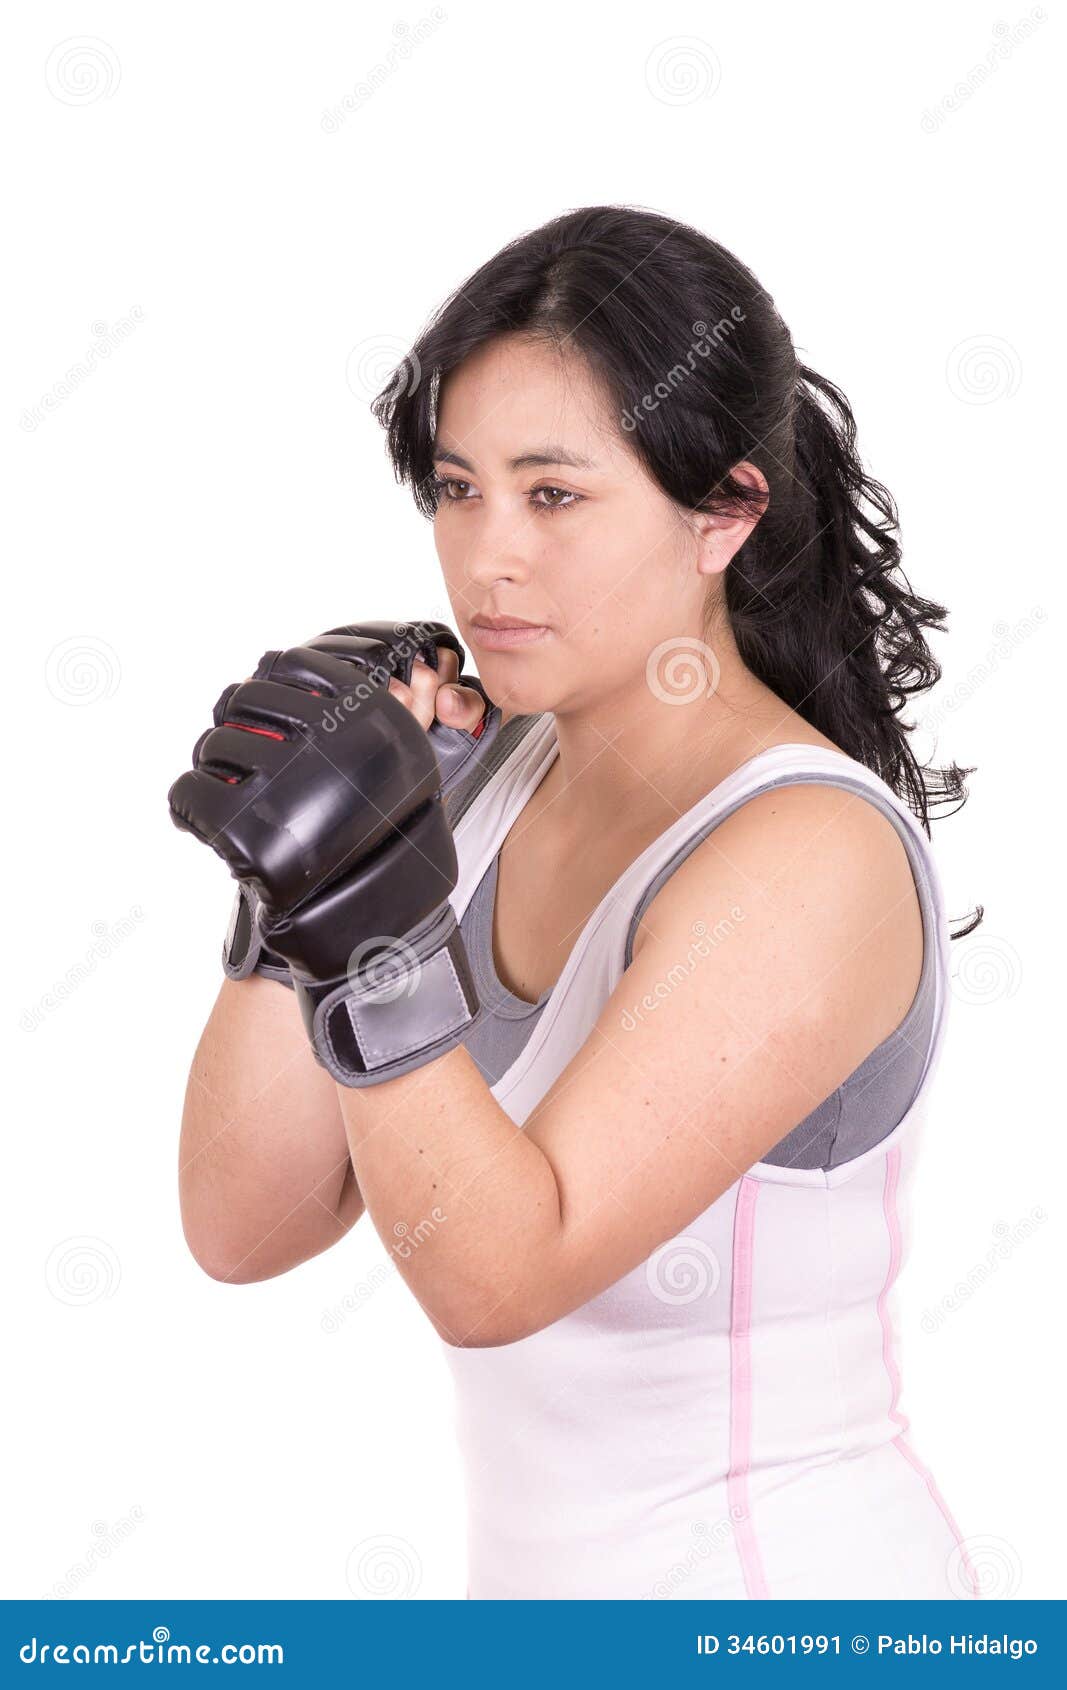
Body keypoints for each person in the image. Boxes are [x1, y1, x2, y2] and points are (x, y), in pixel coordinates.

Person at [171, 205, 984, 1600]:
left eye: (554, 495)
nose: (487, 559)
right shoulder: (478, 782)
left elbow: (499, 1272)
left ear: (723, 510)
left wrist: (370, 922)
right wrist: (301, 880)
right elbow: (243, 1222)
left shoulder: (807, 852)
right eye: (456, 486)